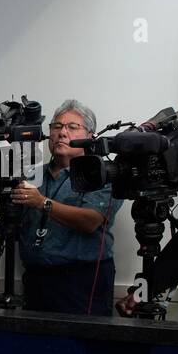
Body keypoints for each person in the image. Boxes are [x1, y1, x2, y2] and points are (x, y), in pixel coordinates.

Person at [13, 100, 119, 316]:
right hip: (35, 281)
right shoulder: (32, 174)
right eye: (56, 127)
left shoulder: (103, 174)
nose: (62, 133)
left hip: (82, 282)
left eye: (72, 127)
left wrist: (41, 202)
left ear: (90, 136)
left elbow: (90, 221)